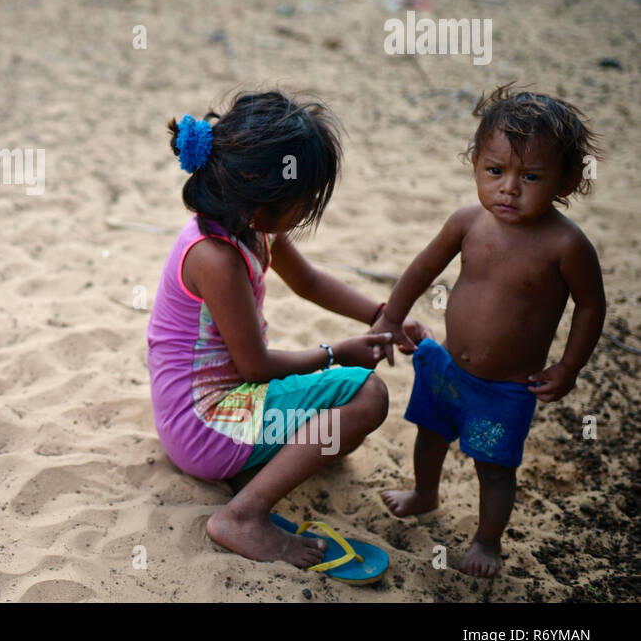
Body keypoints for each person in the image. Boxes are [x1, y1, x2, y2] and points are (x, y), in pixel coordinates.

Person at [147, 91, 429, 569]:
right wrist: (336, 354)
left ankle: (253, 471)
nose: (309, 209)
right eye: (306, 200)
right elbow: (255, 367)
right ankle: (242, 516)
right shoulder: (215, 258)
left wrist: (382, 317)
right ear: (266, 200)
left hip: (211, 411)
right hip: (203, 423)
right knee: (367, 397)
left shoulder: (250, 223)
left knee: (337, 417)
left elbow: (309, 282)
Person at [377, 86, 605, 577]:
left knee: (496, 468)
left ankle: (487, 540)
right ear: (476, 163)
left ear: (565, 180)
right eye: (496, 171)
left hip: (505, 389)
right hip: (448, 368)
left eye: (532, 177)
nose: (509, 188)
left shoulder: (566, 245)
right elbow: (420, 271)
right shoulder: (467, 222)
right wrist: (391, 317)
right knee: (429, 434)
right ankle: (425, 491)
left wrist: (569, 366)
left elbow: (591, 305)